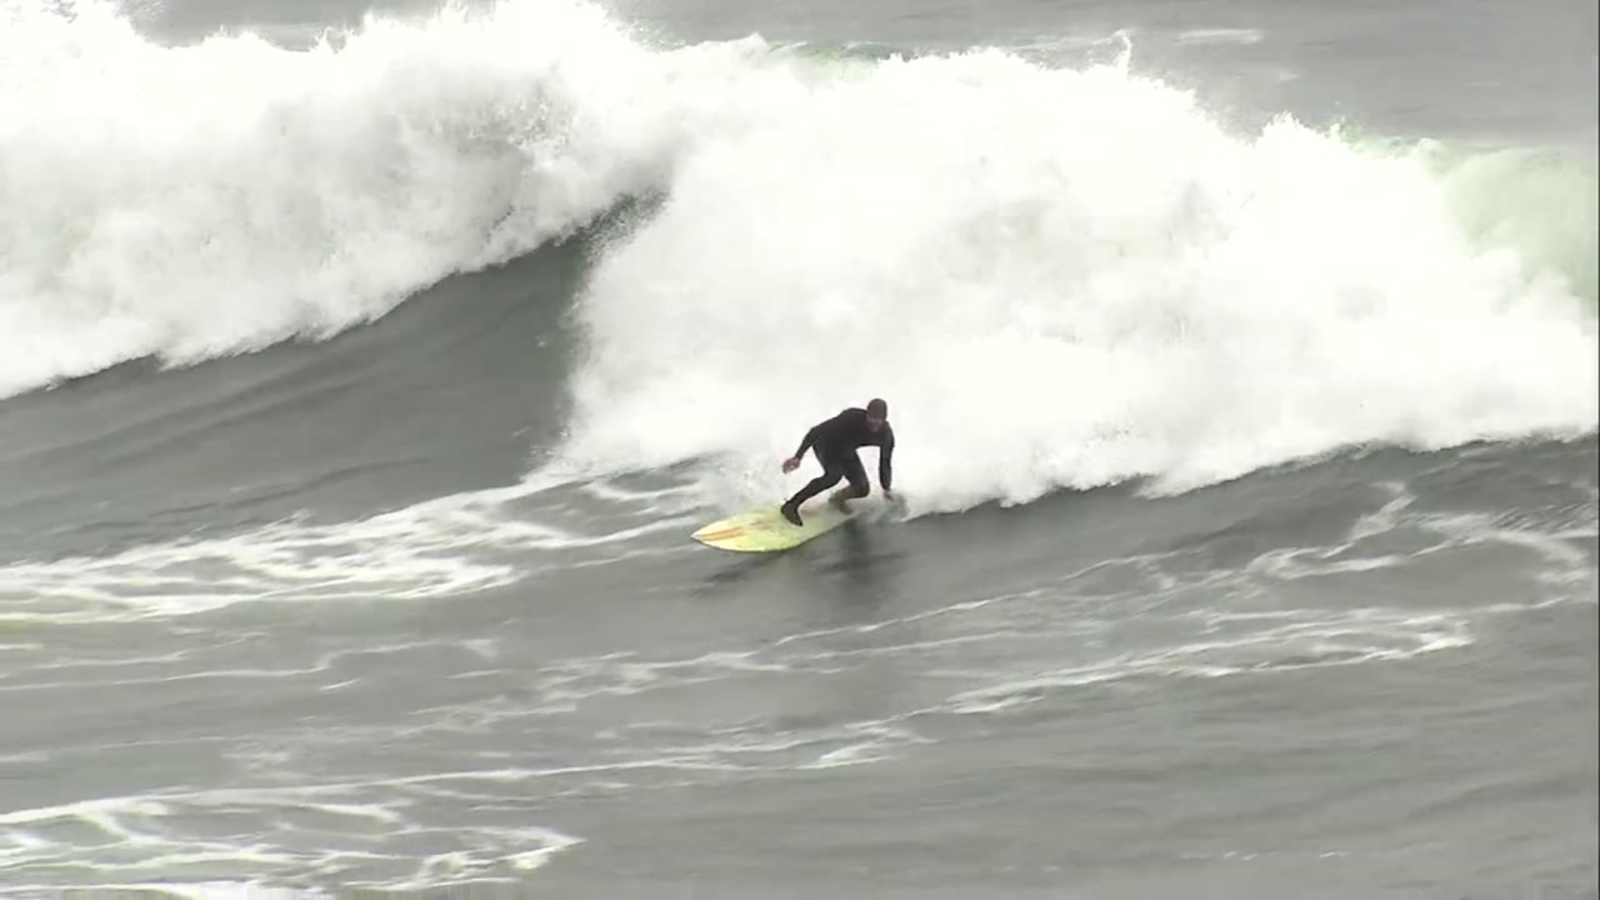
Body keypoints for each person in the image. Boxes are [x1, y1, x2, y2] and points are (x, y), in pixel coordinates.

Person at [779, 398, 895, 526]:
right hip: (825, 443)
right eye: (871, 418)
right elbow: (815, 431)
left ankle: (836, 500)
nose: (874, 422)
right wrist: (798, 456)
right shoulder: (851, 418)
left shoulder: (886, 435)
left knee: (862, 489)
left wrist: (886, 487)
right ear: (866, 414)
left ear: (884, 419)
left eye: (878, 420)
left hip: (846, 450)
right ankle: (790, 506)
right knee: (833, 476)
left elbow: (885, 462)